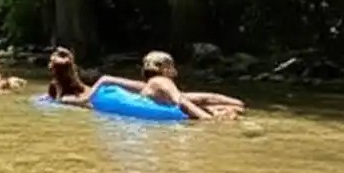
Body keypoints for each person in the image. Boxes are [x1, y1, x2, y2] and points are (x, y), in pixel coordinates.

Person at [79, 50, 245, 120]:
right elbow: (180, 101)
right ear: (164, 68)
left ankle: (231, 107)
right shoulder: (163, 81)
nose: (174, 69)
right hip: (176, 110)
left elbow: (107, 78)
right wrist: (207, 120)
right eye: (172, 65)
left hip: (164, 104)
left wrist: (87, 98)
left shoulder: (148, 84)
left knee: (211, 99)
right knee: (236, 108)